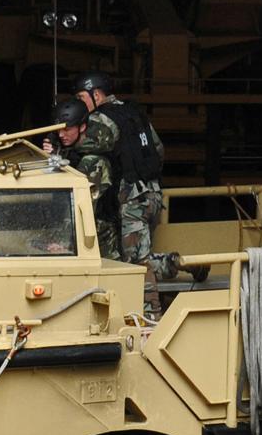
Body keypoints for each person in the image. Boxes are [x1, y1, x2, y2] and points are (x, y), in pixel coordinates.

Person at [72, 71, 185, 306]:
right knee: (131, 256)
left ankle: (151, 314)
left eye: (82, 98)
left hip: (132, 199)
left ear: (97, 95)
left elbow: (86, 143)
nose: (79, 104)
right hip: (152, 195)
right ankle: (179, 263)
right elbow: (158, 149)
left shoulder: (101, 119)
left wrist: (62, 143)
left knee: (136, 264)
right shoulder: (134, 113)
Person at [43, 96, 118, 243]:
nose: (61, 134)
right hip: (74, 234)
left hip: (98, 239)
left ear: (82, 127)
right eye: (58, 130)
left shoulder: (94, 160)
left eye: (67, 129)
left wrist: (63, 242)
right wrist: (53, 156)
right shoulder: (69, 151)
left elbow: (79, 205)